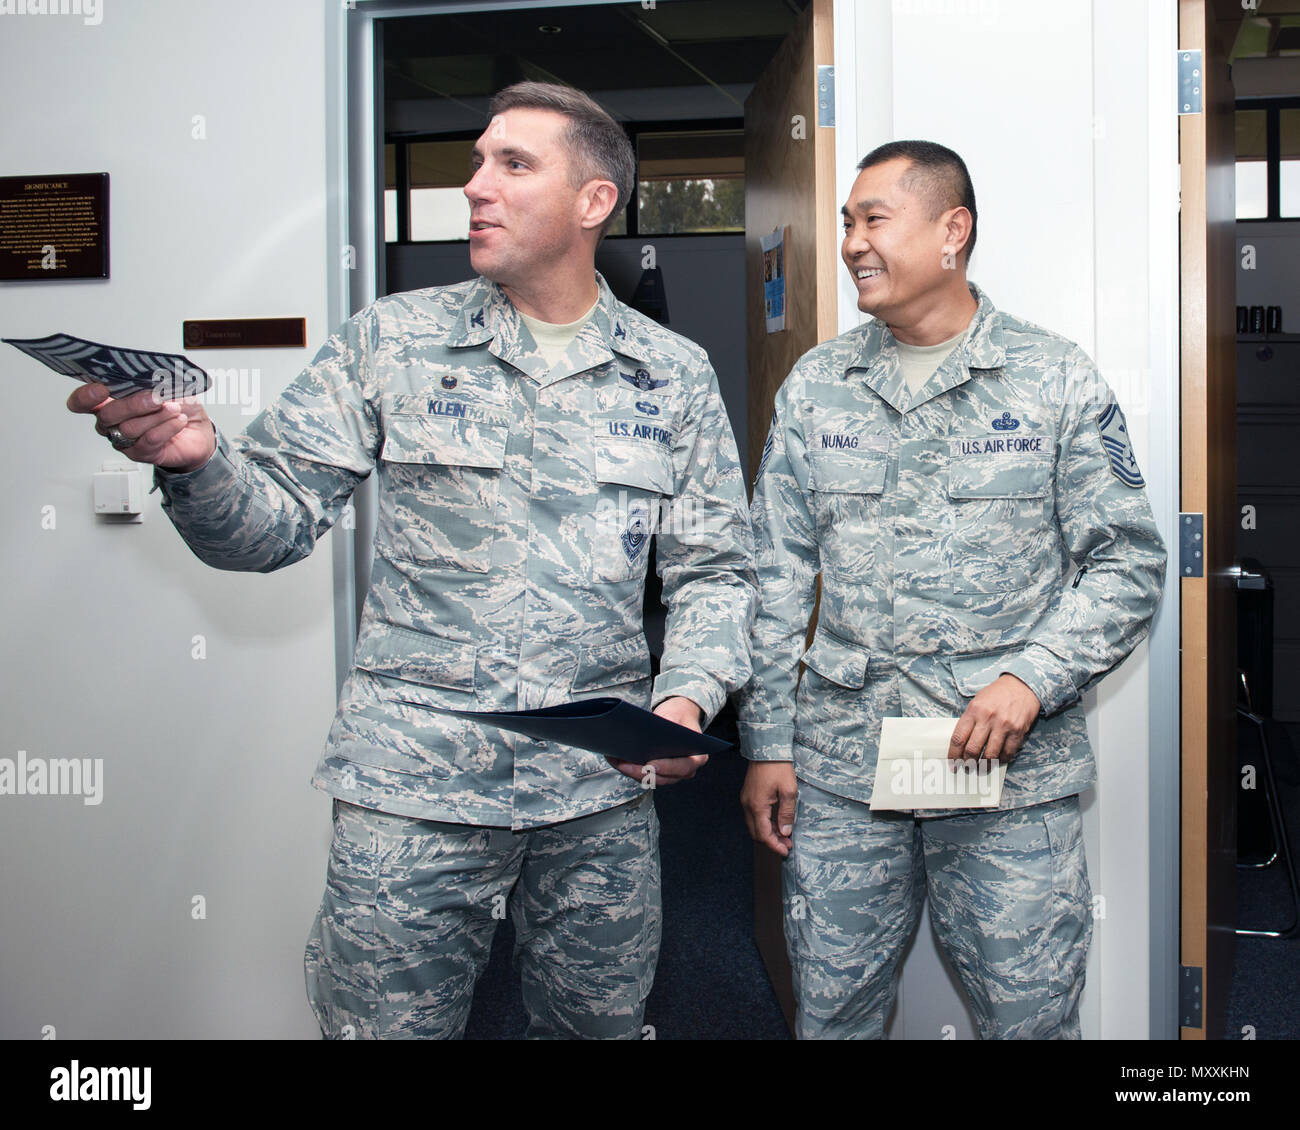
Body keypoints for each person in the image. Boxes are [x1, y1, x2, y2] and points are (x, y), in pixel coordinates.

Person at [66, 81, 755, 1039]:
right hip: (413, 791)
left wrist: (686, 700)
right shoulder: (395, 339)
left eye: (512, 165)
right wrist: (198, 467)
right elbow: (269, 526)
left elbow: (717, 569)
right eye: (474, 162)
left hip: (596, 794)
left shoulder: (670, 373)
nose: (475, 185)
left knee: (596, 1027)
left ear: (594, 202)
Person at [737, 140, 1166, 1040]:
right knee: (833, 1016)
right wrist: (767, 743)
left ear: (951, 232)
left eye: (874, 219)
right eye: (846, 221)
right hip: (846, 773)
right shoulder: (819, 386)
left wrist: (1032, 678)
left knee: (1030, 1020)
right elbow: (773, 573)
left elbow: (1126, 561)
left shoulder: (1051, 377)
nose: (852, 241)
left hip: (1004, 772)